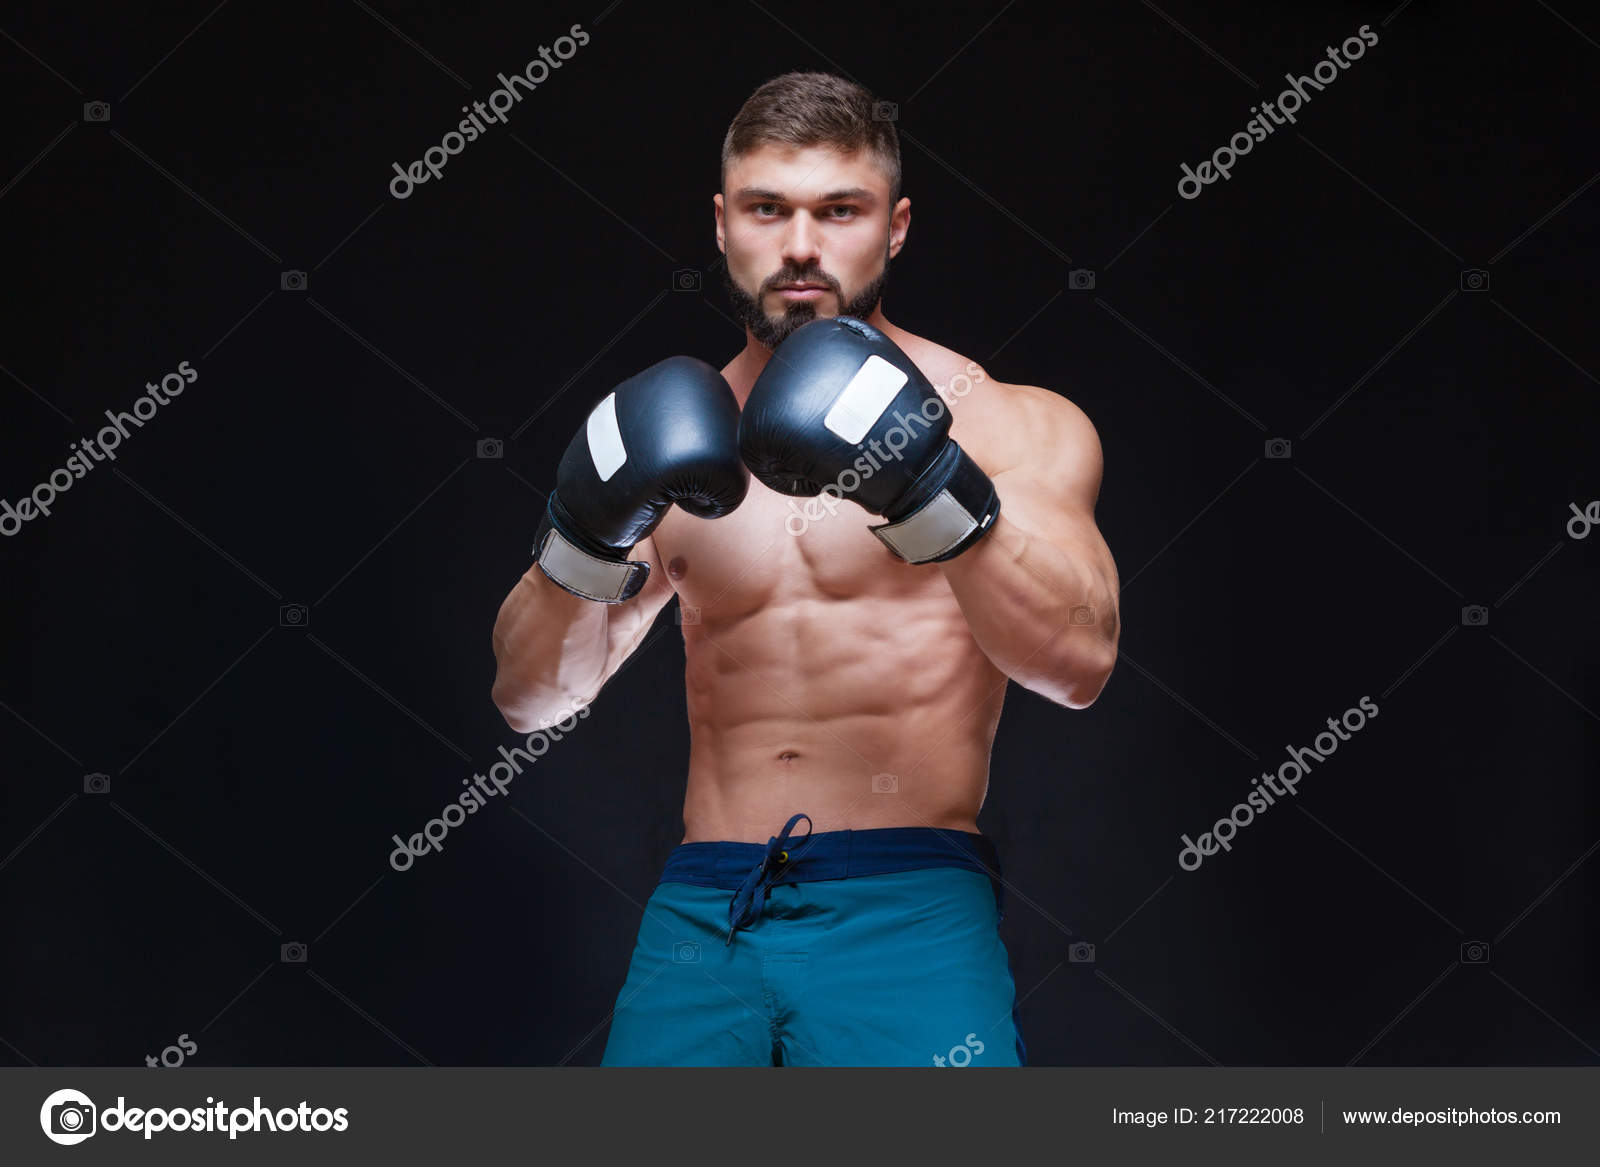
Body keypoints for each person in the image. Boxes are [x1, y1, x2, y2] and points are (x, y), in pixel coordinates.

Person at [491, 71, 1119, 1067]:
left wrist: (925, 478)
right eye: (767, 209)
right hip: (703, 914)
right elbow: (531, 700)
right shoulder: (666, 434)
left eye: (839, 211)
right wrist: (585, 530)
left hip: (908, 906)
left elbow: (1077, 662)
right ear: (722, 223)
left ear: (895, 227)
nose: (798, 245)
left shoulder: (1002, 421)